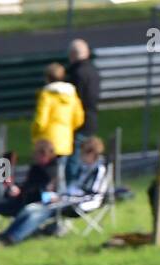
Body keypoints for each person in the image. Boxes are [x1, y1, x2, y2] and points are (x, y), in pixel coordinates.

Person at [0, 135, 107, 247]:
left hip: (80, 203)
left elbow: (91, 195)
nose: (80, 157)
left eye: (83, 153)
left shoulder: (98, 170)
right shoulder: (85, 168)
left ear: (91, 153)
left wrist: (64, 198)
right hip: (67, 199)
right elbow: (75, 188)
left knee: (39, 212)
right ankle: (3, 236)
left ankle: (11, 239)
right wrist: (62, 195)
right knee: (30, 209)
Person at [31, 63, 85, 166]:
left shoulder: (46, 95)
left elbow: (40, 121)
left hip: (47, 143)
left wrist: (35, 136)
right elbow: (79, 118)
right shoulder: (71, 95)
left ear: (47, 78)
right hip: (65, 140)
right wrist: (68, 128)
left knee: (47, 174)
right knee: (61, 172)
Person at [0, 139, 60, 219]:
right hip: (22, 199)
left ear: (43, 154)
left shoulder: (51, 172)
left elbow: (42, 192)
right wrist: (18, 189)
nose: (33, 156)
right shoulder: (36, 168)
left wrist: (20, 191)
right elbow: (28, 186)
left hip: (34, 206)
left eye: (35, 153)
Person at [66, 39, 101, 179]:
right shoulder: (93, 71)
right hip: (92, 119)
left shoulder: (76, 74)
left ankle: (73, 188)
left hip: (78, 122)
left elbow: (75, 100)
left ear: (73, 55)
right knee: (88, 156)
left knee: (74, 160)